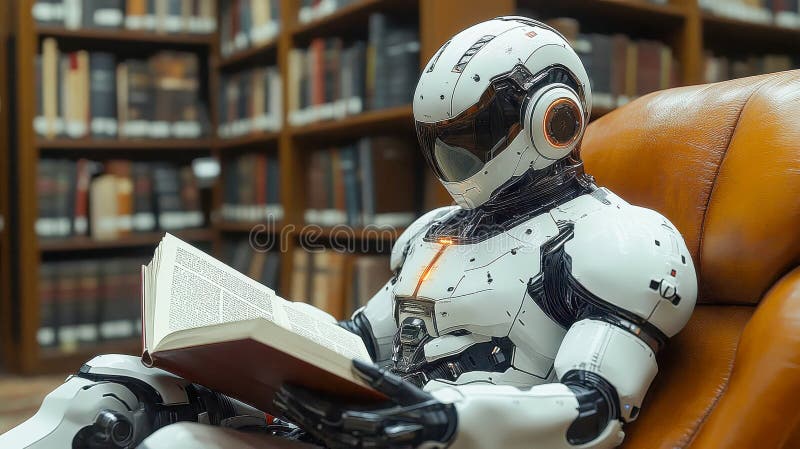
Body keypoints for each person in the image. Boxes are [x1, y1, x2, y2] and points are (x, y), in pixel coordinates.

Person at [0, 16, 696, 449]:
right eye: (438, 143)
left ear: (555, 118)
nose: (452, 163)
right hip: (359, 424)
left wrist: (442, 418)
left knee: (179, 446)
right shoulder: (432, 234)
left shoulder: (617, 241)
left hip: (455, 439)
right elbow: (362, 342)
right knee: (114, 386)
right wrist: (250, 343)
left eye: (467, 139)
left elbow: (595, 409)